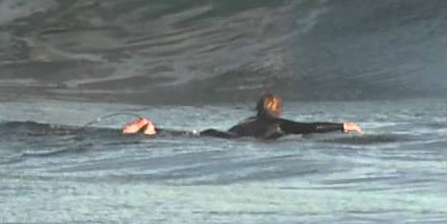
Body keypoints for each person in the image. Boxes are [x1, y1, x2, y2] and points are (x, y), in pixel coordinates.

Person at [122, 92, 363, 139]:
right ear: (278, 110)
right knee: (188, 137)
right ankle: (152, 131)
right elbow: (309, 127)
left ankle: (153, 129)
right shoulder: (279, 124)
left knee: (190, 136)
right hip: (229, 141)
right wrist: (342, 126)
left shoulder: (247, 121)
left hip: (219, 134)